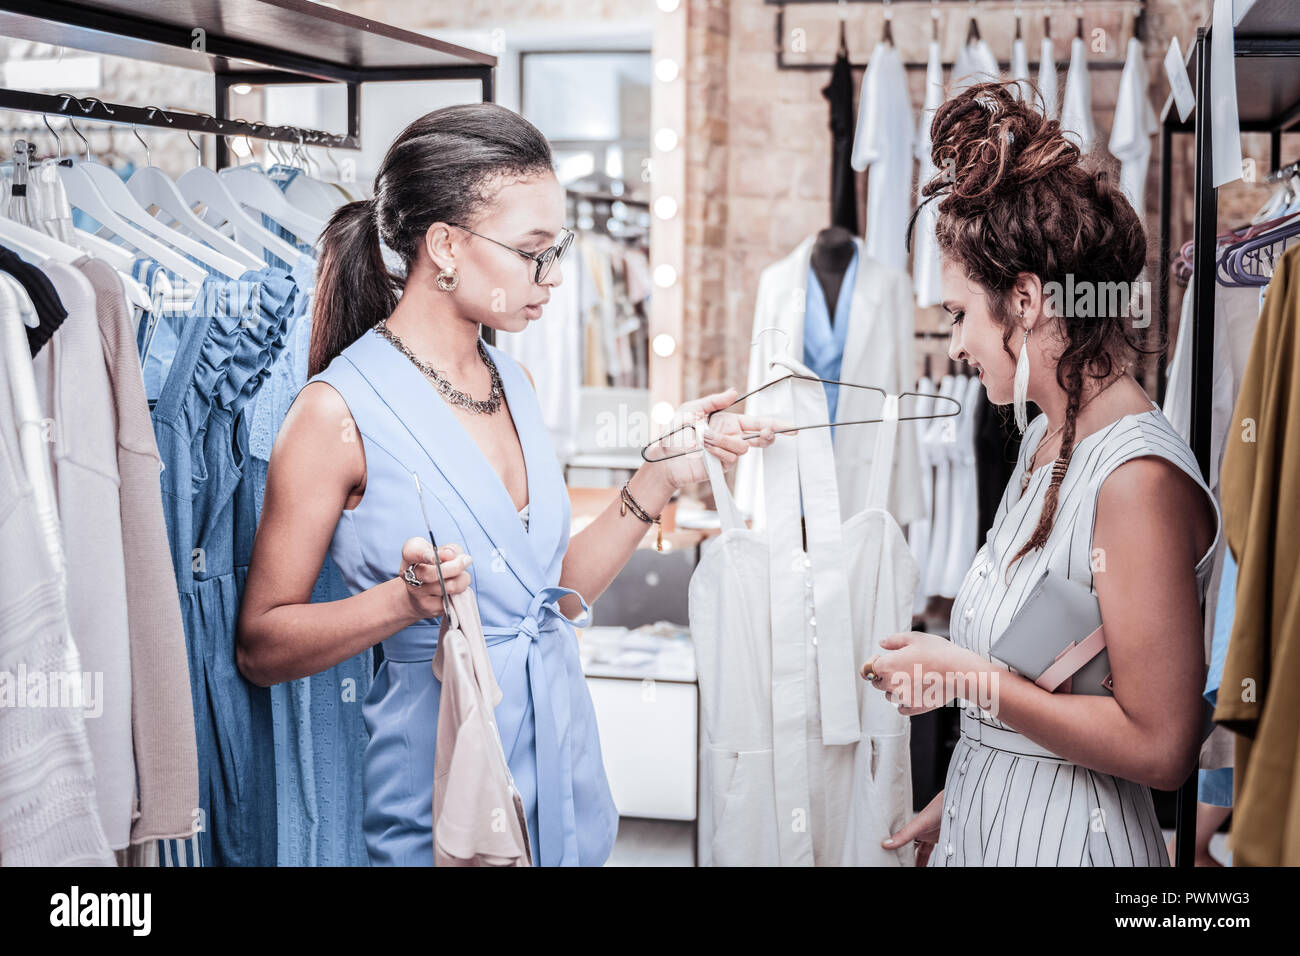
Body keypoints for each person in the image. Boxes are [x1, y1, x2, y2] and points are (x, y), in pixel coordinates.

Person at [236, 103, 782, 866]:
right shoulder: (335, 413)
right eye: (532, 252)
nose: (552, 277)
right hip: (442, 802)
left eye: (555, 250)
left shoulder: (514, 381)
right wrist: (403, 601)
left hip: (563, 777)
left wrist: (657, 475)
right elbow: (261, 644)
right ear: (446, 246)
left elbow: (546, 595)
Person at [862, 80, 1220, 866]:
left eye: (959, 314)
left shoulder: (1136, 483)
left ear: (1024, 300)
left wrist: (964, 678)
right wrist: (965, 796)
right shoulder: (1042, 443)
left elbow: (1163, 746)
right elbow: (1059, 682)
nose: (954, 345)